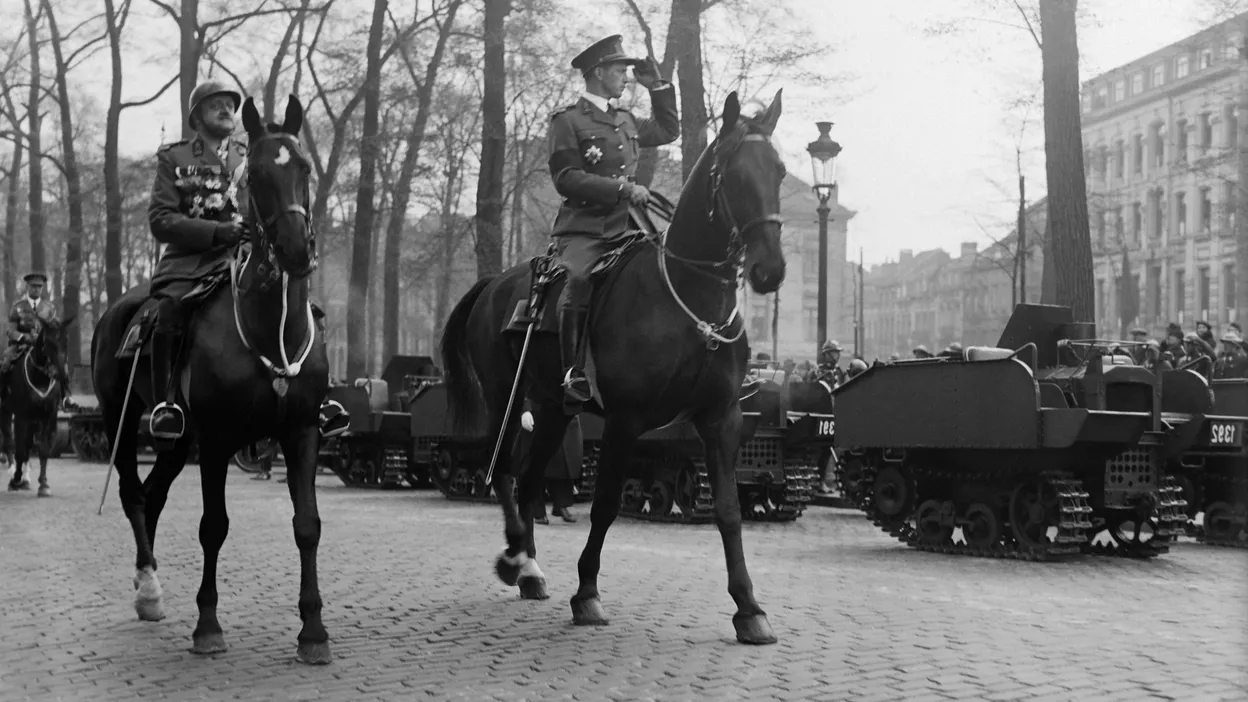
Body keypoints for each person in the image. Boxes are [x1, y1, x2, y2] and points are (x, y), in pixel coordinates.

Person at [548, 34, 680, 404]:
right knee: (576, 279)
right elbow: (565, 178)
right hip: (585, 228)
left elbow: (669, 130)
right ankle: (572, 374)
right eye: (620, 70)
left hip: (632, 225)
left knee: (672, 268)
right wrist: (621, 189)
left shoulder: (626, 119)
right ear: (599, 72)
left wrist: (660, 88)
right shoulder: (568, 121)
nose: (626, 77)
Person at [145, 80, 250, 440]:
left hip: (247, 257)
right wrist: (215, 233)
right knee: (171, 311)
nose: (226, 110)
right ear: (197, 116)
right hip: (194, 263)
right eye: (216, 104)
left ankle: (316, 398)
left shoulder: (248, 155)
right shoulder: (176, 157)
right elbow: (161, 220)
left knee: (302, 304)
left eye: (230, 105)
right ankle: (167, 406)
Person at [1, 272, 70, 409]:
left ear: (42, 288)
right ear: (27, 287)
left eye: (39, 286)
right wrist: (23, 337)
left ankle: (65, 397)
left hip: (43, 345)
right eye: (33, 286)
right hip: (20, 345)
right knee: (6, 362)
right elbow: (10, 330)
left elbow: (54, 328)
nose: (36, 289)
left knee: (61, 364)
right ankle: (3, 396)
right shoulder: (18, 307)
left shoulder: (49, 308)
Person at [517, 399, 580, 524]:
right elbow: (522, 385)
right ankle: (537, 510)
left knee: (561, 462)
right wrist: (525, 410)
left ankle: (561, 503)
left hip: (560, 410)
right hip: (537, 411)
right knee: (535, 464)